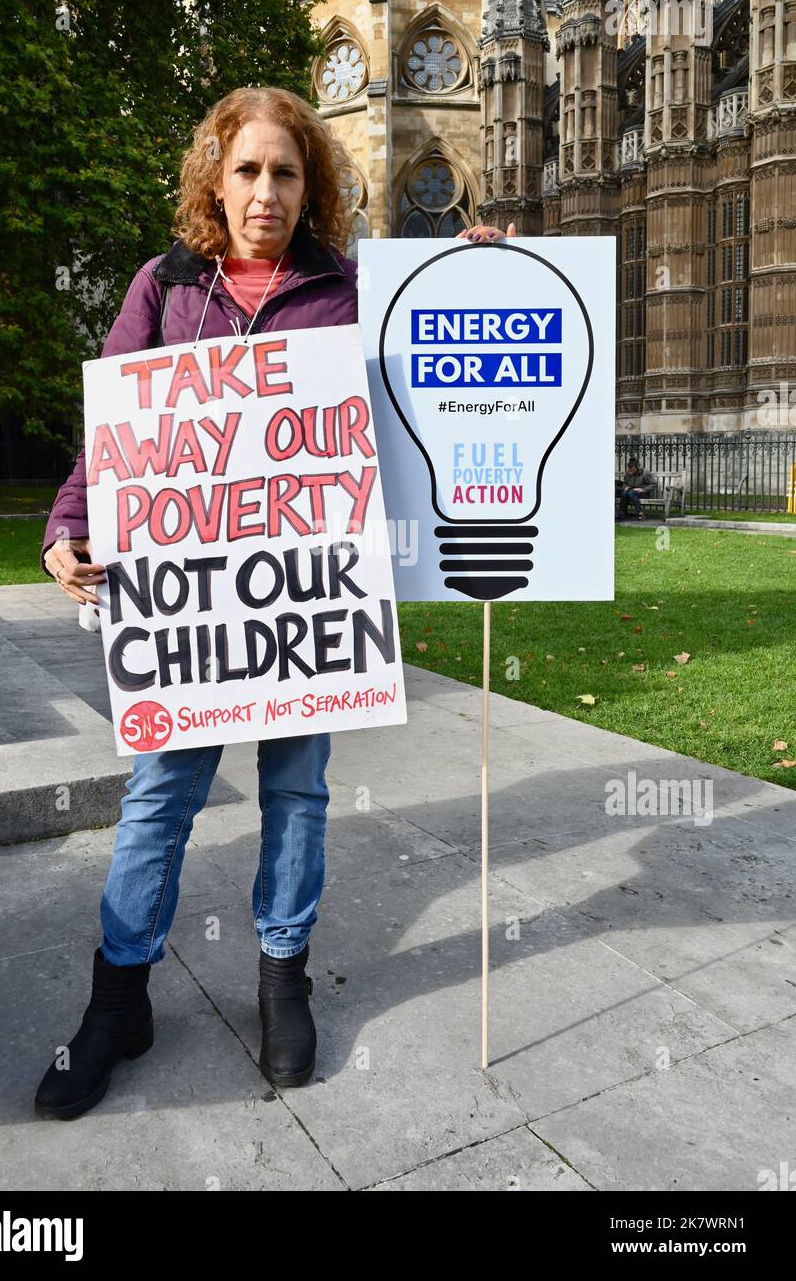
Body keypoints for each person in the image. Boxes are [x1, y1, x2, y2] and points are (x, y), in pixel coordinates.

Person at [34, 84, 514, 1120]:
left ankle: (280, 976)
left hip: (301, 607)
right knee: (160, 796)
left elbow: (439, 371)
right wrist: (63, 528)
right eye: (247, 169)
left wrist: (477, 270)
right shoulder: (163, 287)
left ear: (313, 185)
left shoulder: (353, 287)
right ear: (217, 175)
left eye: (286, 172)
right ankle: (118, 1001)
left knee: (298, 790)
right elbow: (112, 429)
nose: (265, 191)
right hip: (192, 608)